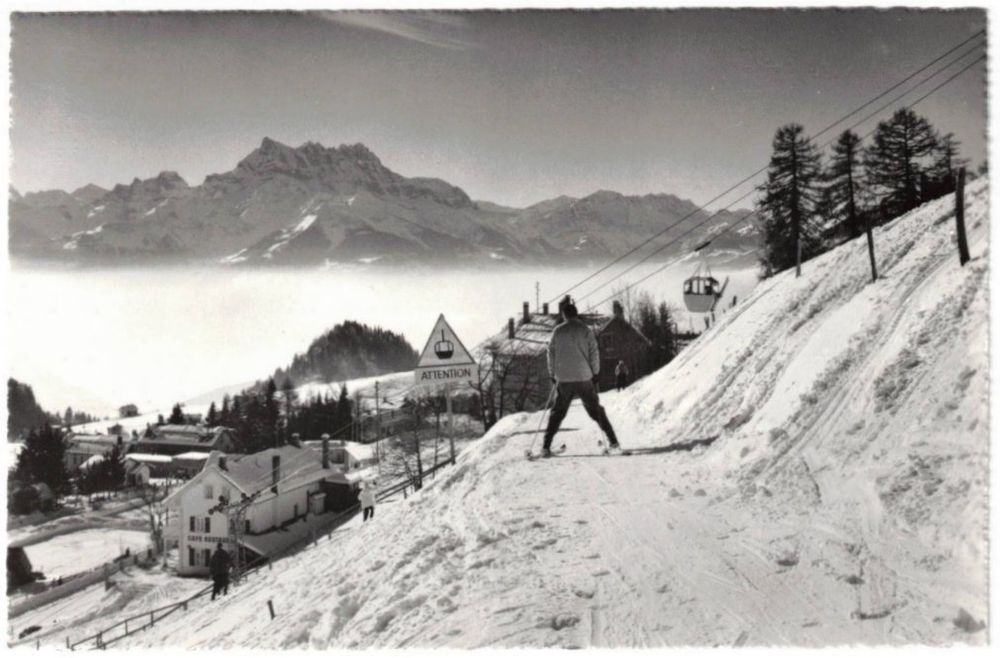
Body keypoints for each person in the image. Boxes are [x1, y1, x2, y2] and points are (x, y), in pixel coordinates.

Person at [542, 299, 623, 456]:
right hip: (584, 376)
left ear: (564, 315)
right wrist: (595, 373)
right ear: (577, 315)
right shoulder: (585, 330)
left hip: (564, 378)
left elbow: (550, 353)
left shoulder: (558, 331)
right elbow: (594, 353)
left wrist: (552, 373)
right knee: (595, 410)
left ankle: (545, 446)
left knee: (558, 412)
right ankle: (613, 441)